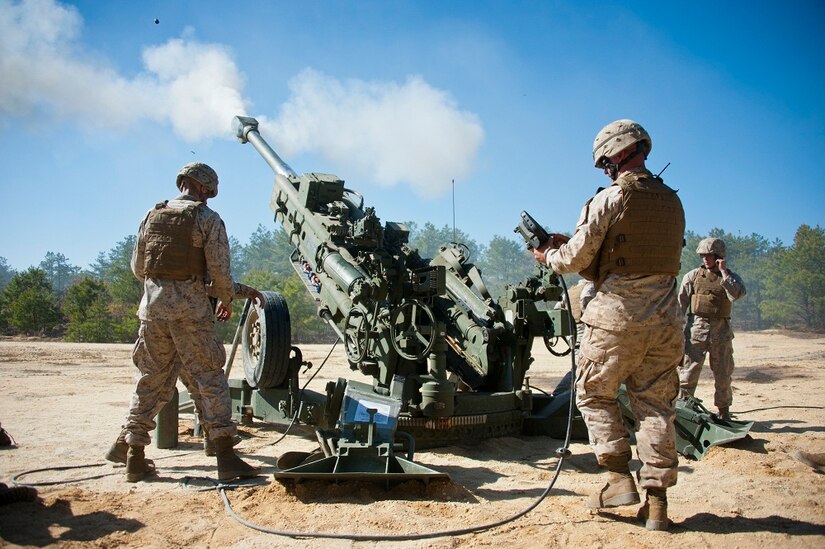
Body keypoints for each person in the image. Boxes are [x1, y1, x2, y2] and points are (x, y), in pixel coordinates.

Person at [532, 119, 685, 530]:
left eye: (605, 163)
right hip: (667, 322)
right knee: (656, 408)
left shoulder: (610, 199)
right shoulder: (672, 201)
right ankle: (657, 505)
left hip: (616, 320)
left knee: (594, 394)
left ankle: (618, 478)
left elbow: (573, 261)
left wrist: (548, 254)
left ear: (620, 153)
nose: (605, 171)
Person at [109, 162, 262, 483]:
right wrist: (233, 295)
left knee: (150, 378)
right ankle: (225, 456)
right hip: (190, 316)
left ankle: (133, 454)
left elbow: (139, 268)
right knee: (209, 378)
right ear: (206, 189)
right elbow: (220, 276)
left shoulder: (151, 215)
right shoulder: (208, 220)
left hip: (151, 312)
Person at [678, 238, 746, 419]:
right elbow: (680, 305)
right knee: (687, 374)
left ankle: (724, 411)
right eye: (703, 255)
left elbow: (737, 295)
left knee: (723, 375)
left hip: (721, 333)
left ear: (719, 256)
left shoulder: (730, 277)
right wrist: (675, 329)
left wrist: (723, 272)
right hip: (696, 331)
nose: (706, 259)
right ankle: (684, 411)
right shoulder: (692, 276)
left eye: (709, 255)